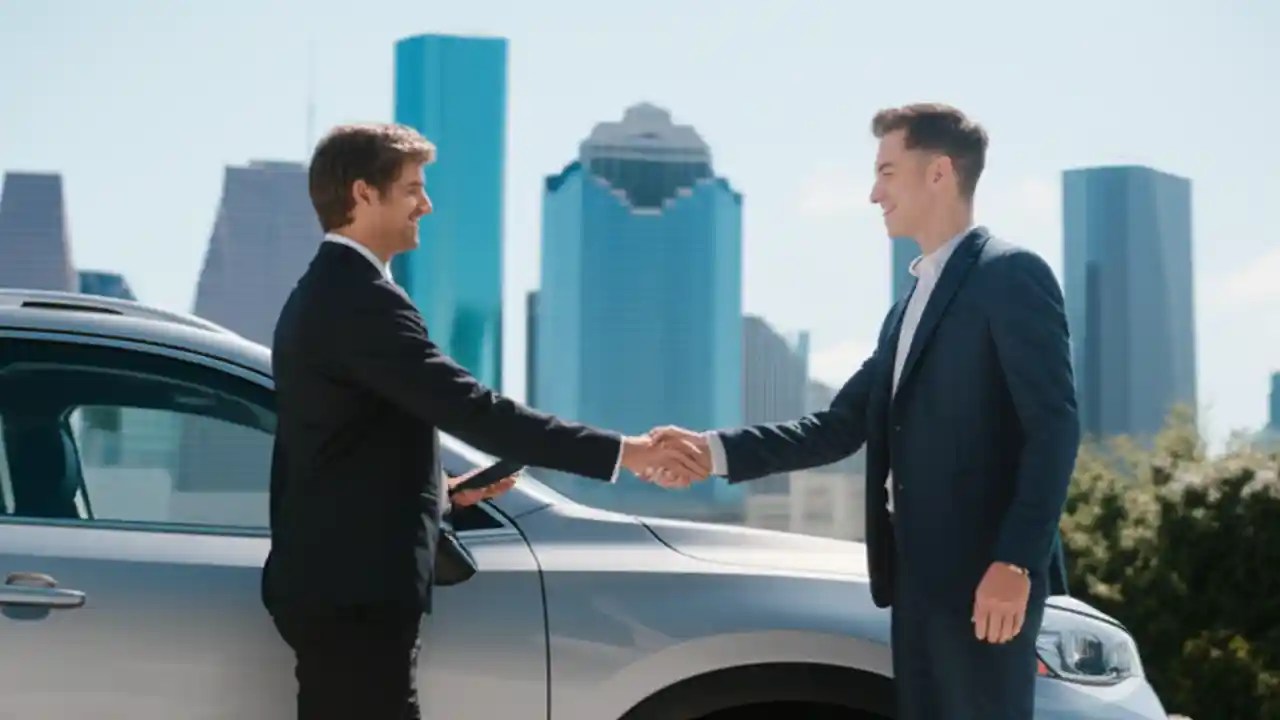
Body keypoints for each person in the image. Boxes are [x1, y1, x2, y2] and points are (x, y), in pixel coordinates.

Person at [648, 103, 1079, 719]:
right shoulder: (907, 307)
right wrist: (710, 450)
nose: (874, 193)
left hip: (986, 581)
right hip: (915, 579)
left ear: (939, 173)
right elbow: (836, 426)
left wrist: (1015, 561)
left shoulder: (1010, 275)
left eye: (887, 171)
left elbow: (1054, 427)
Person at [263, 122, 705, 720]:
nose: (427, 203)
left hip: (338, 583)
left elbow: (337, 449)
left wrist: (441, 495)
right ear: (364, 194)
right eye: (412, 188)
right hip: (356, 594)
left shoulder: (331, 292)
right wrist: (627, 452)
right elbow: (476, 412)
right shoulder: (359, 298)